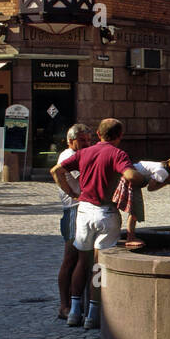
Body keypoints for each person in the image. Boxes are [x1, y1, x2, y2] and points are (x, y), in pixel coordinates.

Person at [49, 117, 147, 329]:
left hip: (83, 211)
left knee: (81, 263)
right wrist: (143, 179)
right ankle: (93, 315)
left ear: (99, 134)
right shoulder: (117, 153)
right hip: (105, 213)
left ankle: (74, 312)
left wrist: (72, 193)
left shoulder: (85, 152)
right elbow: (130, 175)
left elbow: (56, 171)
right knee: (98, 266)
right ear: (119, 135)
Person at [53, 124, 95, 320]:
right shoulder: (68, 156)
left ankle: (75, 303)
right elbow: (59, 172)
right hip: (73, 211)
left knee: (80, 258)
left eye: (89, 140)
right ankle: (64, 305)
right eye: (83, 141)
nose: (87, 144)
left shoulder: (78, 154)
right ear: (71, 141)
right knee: (70, 258)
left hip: (81, 209)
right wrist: (72, 194)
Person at [114, 156, 170, 248]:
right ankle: (130, 238)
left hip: (127, 176)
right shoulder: (163, 172)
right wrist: (166, 183)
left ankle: (124, 236)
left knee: (129, 210)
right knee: (135, 211)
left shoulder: (161, 165)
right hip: (131, 180)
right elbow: (151, 188)